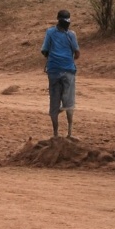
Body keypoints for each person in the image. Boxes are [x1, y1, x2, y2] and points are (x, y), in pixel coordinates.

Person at [39, 9, 80, 138]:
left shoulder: (50, 32)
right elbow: (77, 52)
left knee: (54, 101)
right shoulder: (71, 34)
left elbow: (44, 50)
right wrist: (68, 59)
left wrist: (53, 59)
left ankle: (56, 134)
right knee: (69, 102)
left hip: (53, 70)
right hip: (68, 70)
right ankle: (69, 132)